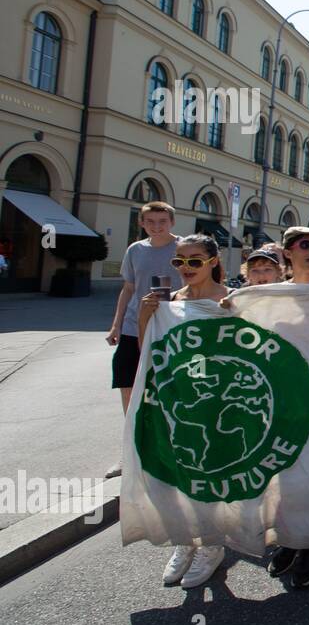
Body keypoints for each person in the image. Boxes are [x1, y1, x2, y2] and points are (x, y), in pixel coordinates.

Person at [136, 234, 231, 589]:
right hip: (178, 398)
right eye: (180, 261)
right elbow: (152, 348)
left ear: (212, 261)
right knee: (182, 471)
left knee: (211, 469)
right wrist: (146, 315)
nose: (186, 268)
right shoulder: (169, 301)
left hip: (215, 399)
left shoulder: (229, 300)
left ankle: (212, 543)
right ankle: (185, 541)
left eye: (195, 260)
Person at [263, 226, 309, 588]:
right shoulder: (266, 297)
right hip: (282, 401)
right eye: (305, 245)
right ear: (287, 252)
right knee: (285, 475)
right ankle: (289, 541)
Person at [105, 201, 182, 478]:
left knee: (168, 390)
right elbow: (128, 288)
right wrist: (116, 324)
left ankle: (172, 449)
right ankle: (130, 452)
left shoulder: (184, 249)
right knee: (128, 386)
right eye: (151, 221)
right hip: (132, 329)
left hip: (170, 328)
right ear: (142, 223)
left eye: (162, 221)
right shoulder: (135, 250)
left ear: (172, 222)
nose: (157, 226)